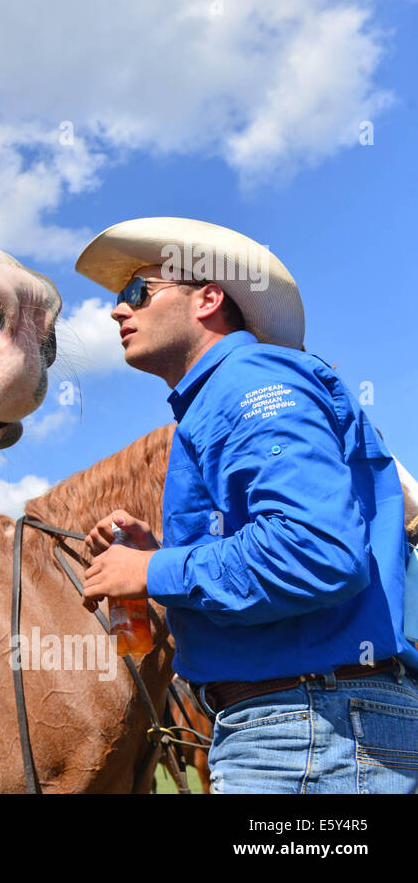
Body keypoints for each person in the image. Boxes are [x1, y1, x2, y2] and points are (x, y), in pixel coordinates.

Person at [74, 216, 418, 794]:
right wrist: (158, 555)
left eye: (138, 291)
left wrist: (154, 570)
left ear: (208, 299)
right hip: (314, 726)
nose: (117, 310)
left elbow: (317, 551)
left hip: (308, 732)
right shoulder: (233, 390)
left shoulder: (246, 381)